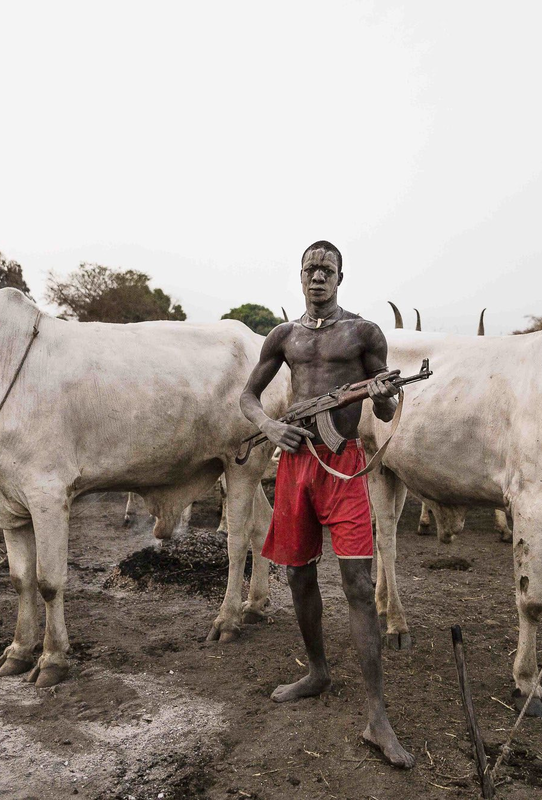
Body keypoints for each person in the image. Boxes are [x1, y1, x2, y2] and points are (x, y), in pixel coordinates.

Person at [239, 240, 414, 769]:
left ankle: (377, 717)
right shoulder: (283, 336)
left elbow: (385, 408)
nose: (318, 277)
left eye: (327, 269)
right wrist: (270, 426)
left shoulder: (364, 333)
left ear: (341, 277)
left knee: (360, 586)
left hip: (343, 467)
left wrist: (382, 396)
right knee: (296, 575)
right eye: (310, 269)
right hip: (295, 466)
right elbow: (249, 396)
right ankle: (316, 672)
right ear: (299, 277)